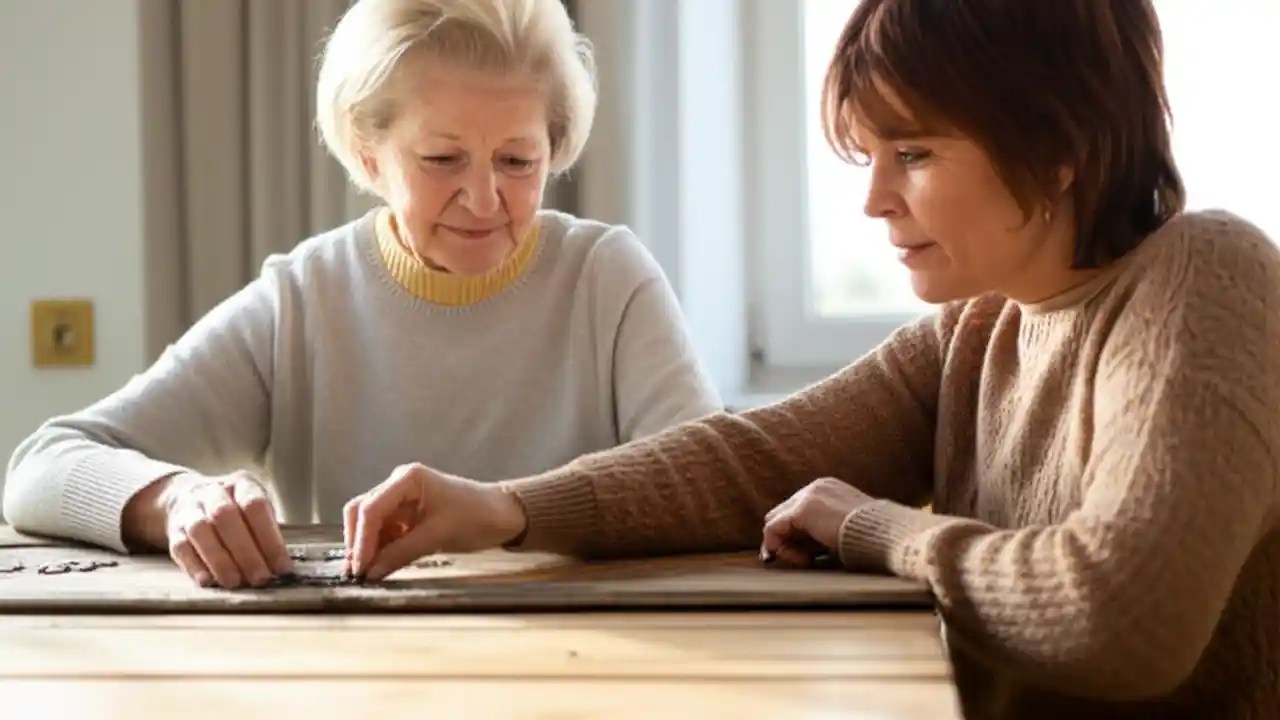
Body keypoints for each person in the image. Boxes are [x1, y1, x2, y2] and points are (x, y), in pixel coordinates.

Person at [336, 1, 1279, 717]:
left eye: (910, 153)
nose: (873, 200)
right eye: (867, 155)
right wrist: (506, 507)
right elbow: (749, 460)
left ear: (1058, 143)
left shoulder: (1207, 278)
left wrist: (876, 529)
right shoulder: (979, 328)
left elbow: (1127, 621)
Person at [2, 0, 720, 590]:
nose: (483, 198)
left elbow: (711, 488)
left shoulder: (608, 278)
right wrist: (178, 498)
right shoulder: (305, 300)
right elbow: (43, 464)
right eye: (442, 159)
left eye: (517, 160)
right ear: (369, 156)